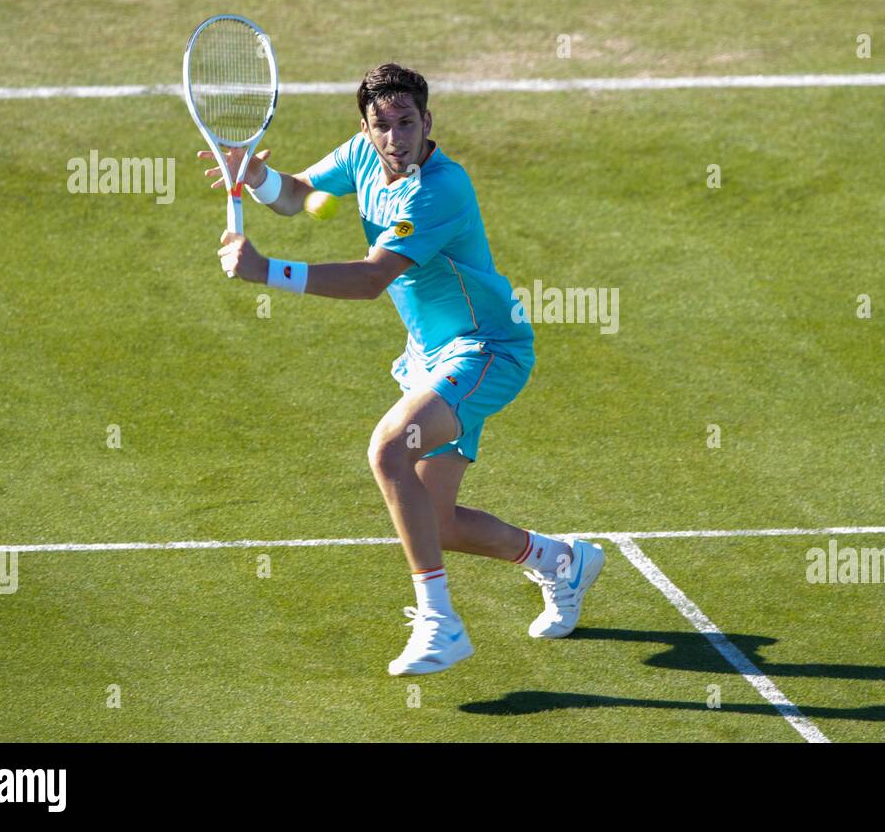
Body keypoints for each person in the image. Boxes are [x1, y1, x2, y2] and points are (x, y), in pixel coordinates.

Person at [202, 62, 604, 675]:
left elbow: (369, 281)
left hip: (485, 349)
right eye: (382, 125)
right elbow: (293, 195)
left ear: (428, 123)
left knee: (391, 450)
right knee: (434, 521)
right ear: (367, 129)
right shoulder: (362, 155)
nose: (395, 138)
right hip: (427, 357)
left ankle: (440, 624)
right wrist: (256, 177)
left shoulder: (441, 189)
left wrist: (267, 271)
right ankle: (560, 561)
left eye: (407, 123)